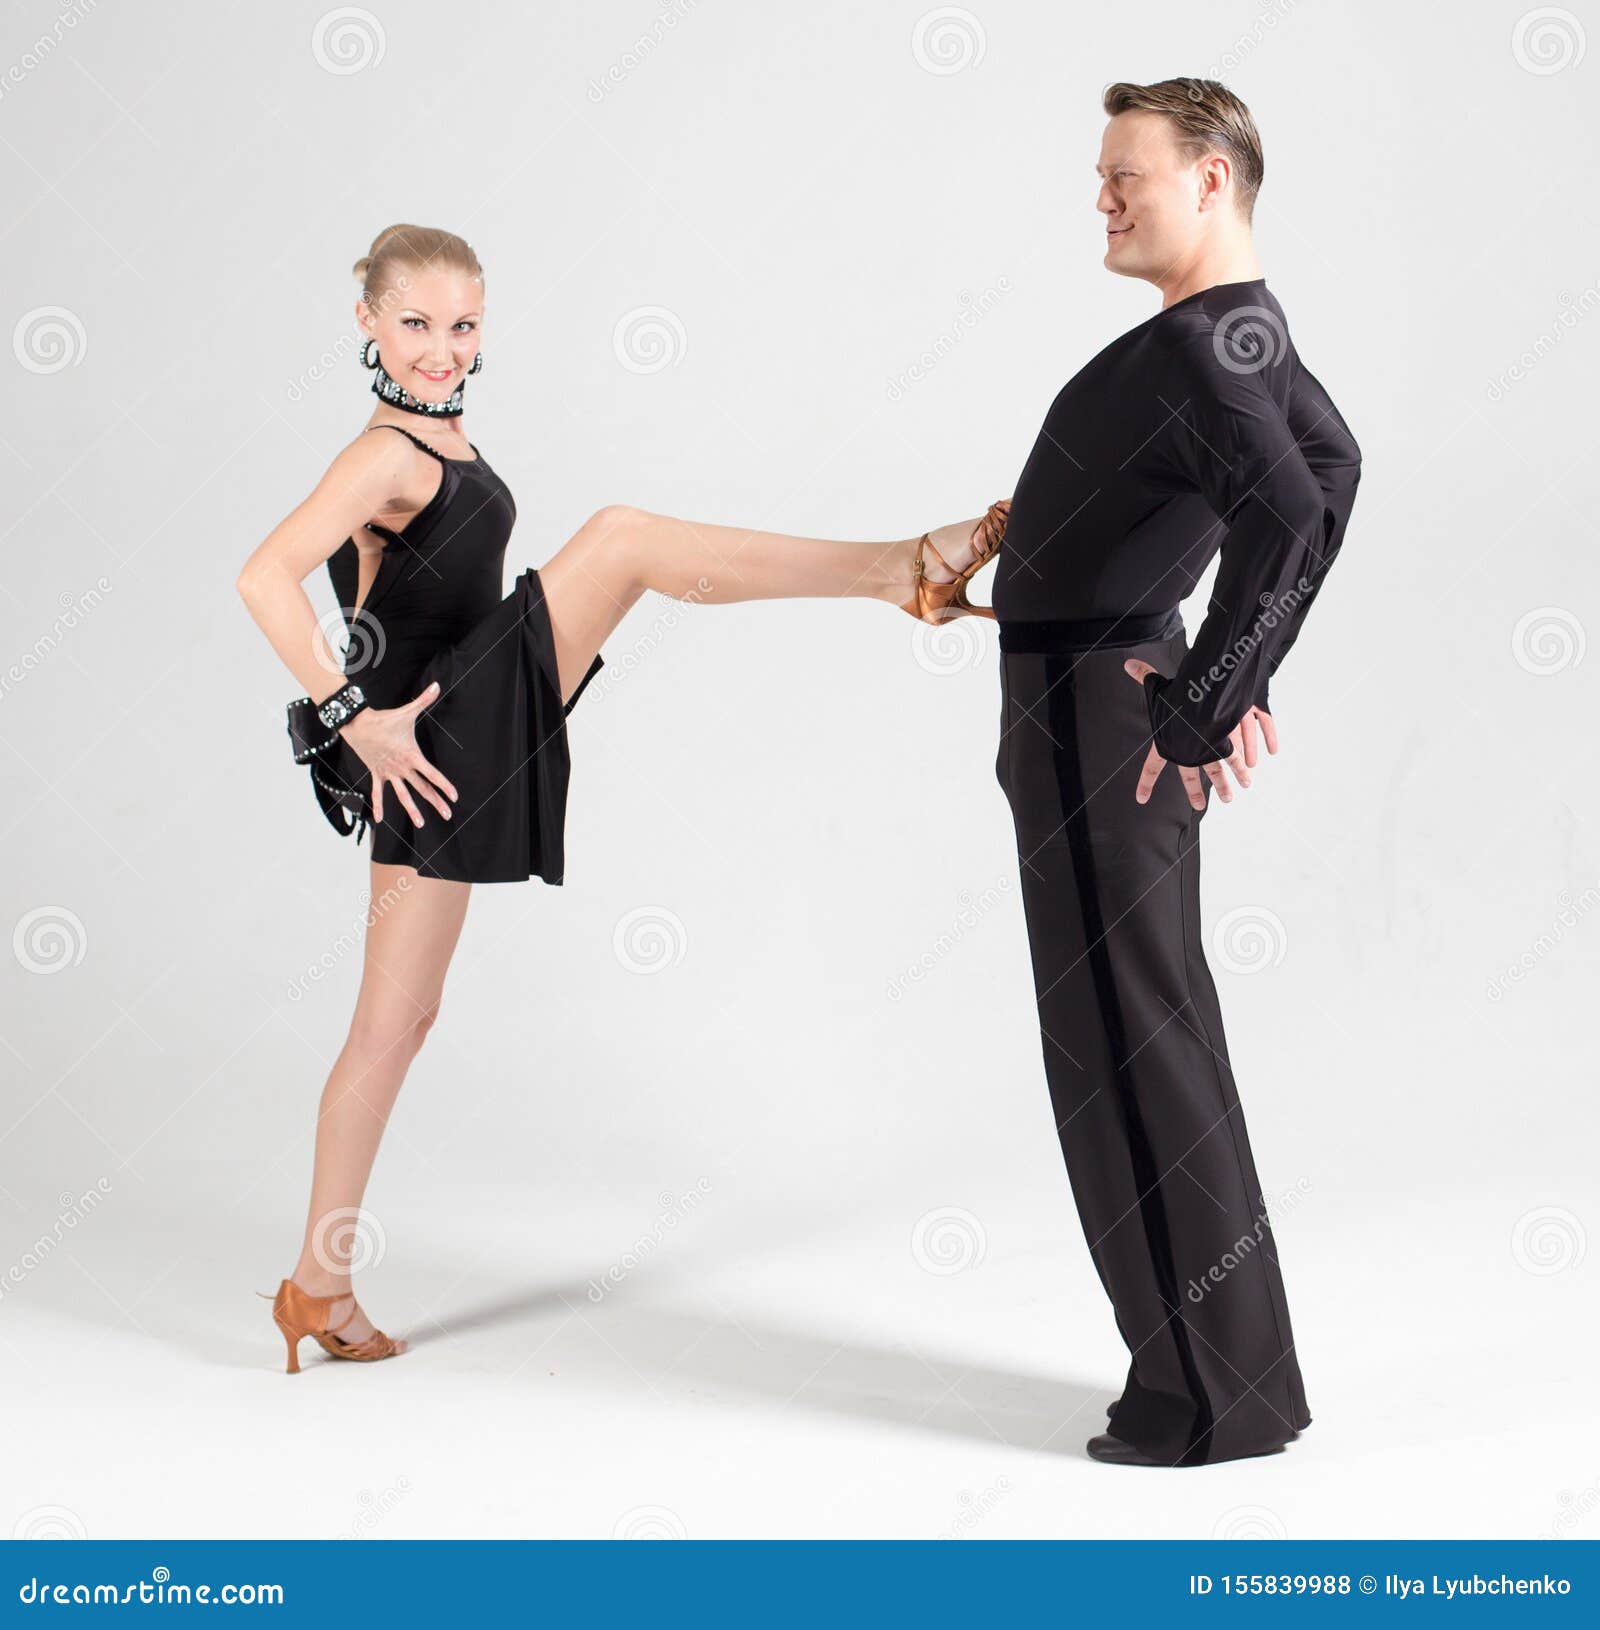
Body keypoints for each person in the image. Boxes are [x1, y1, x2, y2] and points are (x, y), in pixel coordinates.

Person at [235, 223, 1009, 1372]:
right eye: (414, 324)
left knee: (393, 1028)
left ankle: (318, 1289)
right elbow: (263, 574)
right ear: (366, 323)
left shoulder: (435, 436)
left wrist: (377, 724)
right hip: (435, 728)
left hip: (446, 735)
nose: (441, 349)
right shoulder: (386, 455)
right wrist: (358, 717)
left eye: (461, 325)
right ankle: (903, 567)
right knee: (626, 540)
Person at [989, 79, 1361, 1465]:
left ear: (1210, 179)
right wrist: (1228, 671)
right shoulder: (1233, 336)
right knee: (1153, 1026)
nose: (1103, 194)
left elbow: (1295, 507)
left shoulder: (1209, 349)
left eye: (1123, 172)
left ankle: (1201, 1398)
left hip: (1093, 719)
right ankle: (1233, 1377)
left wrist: (1206, 702)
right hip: (1098, 700)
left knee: (1121, 1043)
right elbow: (1333, 470)